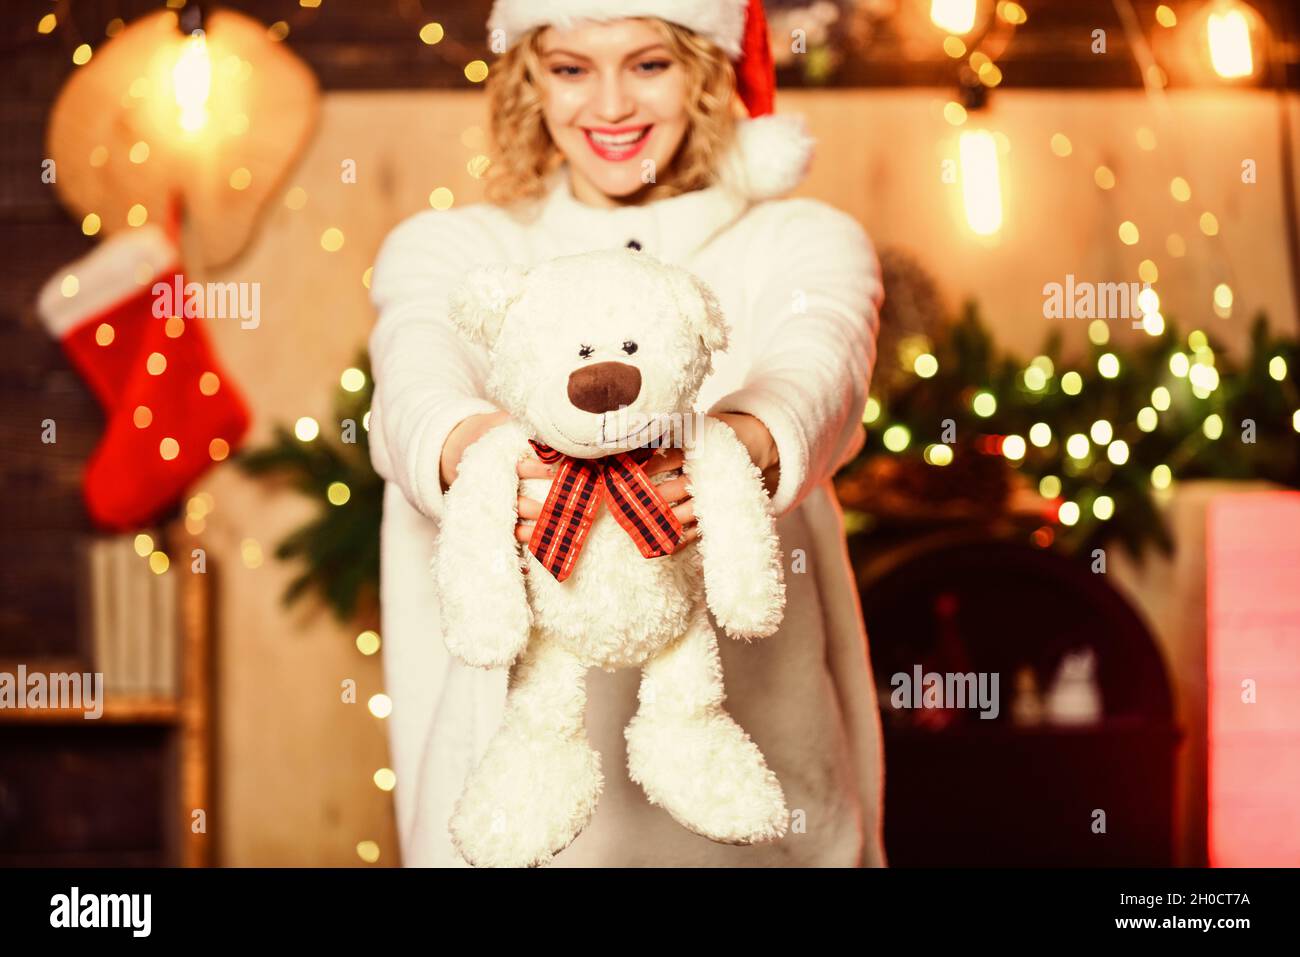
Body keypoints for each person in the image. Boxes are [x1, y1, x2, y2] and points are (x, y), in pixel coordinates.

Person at [368, 0, 886, 867]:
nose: (610, 106)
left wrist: (736, 451)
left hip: (759, 786)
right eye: (571, 68)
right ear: (530, 75)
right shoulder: (453, 249)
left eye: (649, 64)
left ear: (707, 69)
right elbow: (414, 383)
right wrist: (491, 463)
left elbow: (821, 366)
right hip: (518, 790)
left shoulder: (802, 239)